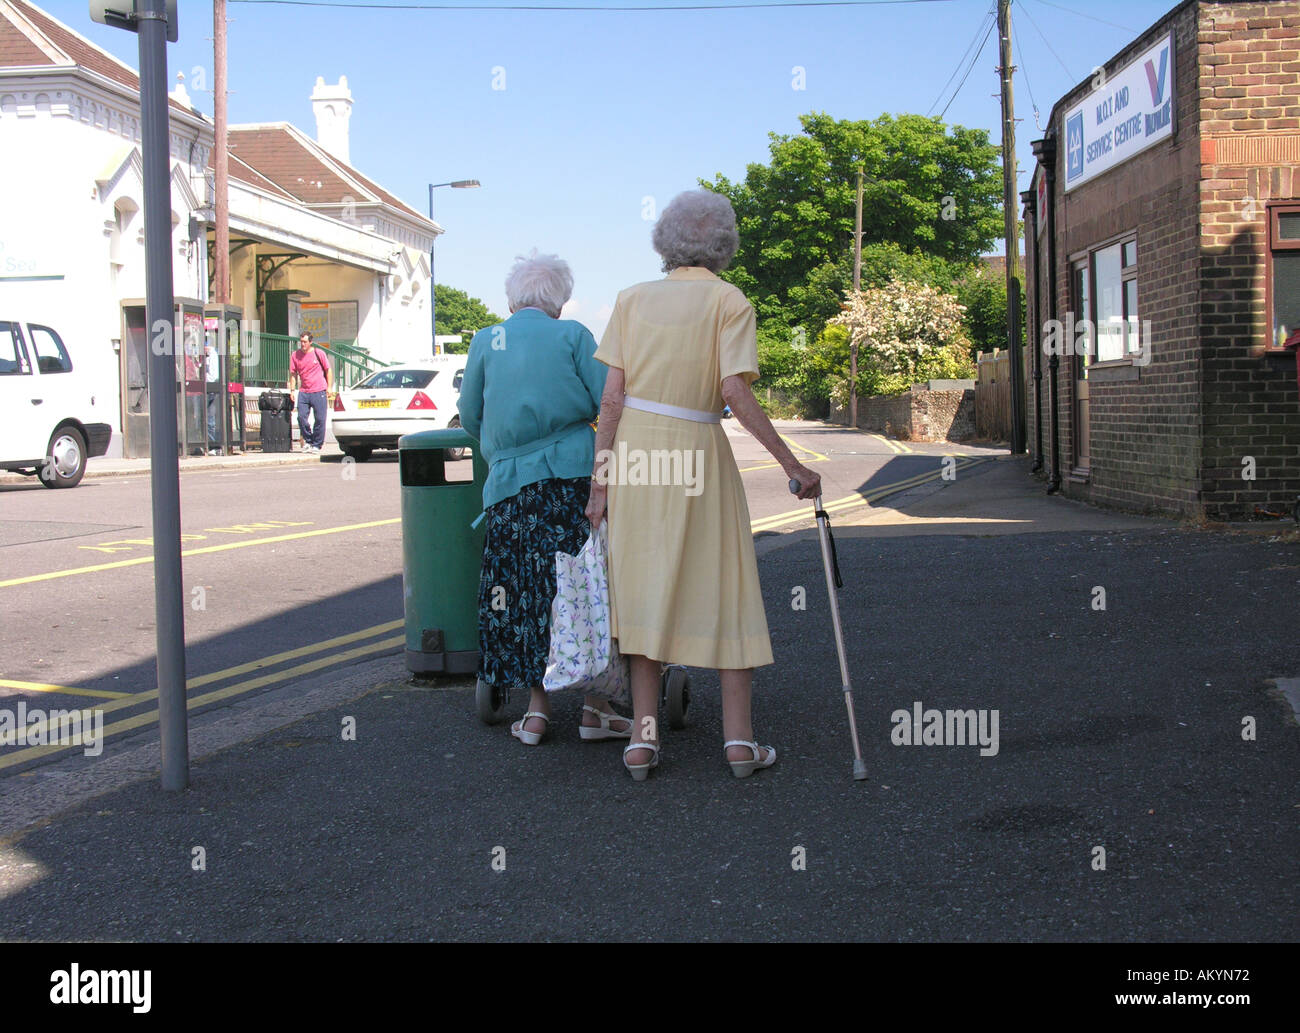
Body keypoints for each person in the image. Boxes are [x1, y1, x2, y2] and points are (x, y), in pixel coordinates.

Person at [585, 189, 821, 781]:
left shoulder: (631, 299)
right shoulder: (729, 300)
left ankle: (641, 744)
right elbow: (735, 393)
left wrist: (599, 483)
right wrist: (792, 465)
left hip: (637, 455)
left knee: (641, 586)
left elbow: (611, 400)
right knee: (725, 583)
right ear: (723, 243)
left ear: (666, 241)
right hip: (697, 452)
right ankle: (738, 745)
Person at [458, 252, 632, 746]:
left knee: (523, 593)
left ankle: (536, 713)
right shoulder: (573, 334)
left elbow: (471, 414)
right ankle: (595, 708)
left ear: (513, 299)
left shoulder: (487, 340)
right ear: (559, 300)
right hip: (572, 478)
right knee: (581, 587)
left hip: (510, 487)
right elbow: (608, 403)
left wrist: (505, 448)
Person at [288, 332, 331, 454]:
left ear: (310, 342)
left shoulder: (319, 353)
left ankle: (317, 444)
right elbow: (293, 374)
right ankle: (308, 441)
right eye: (301, 341)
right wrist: (292, 390)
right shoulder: (295, 355)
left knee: (320, 419)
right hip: (304, 391)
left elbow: (328, 370)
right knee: (301, 417)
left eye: (305, 342)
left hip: (319, 390)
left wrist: (329, 387)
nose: (302, 344)